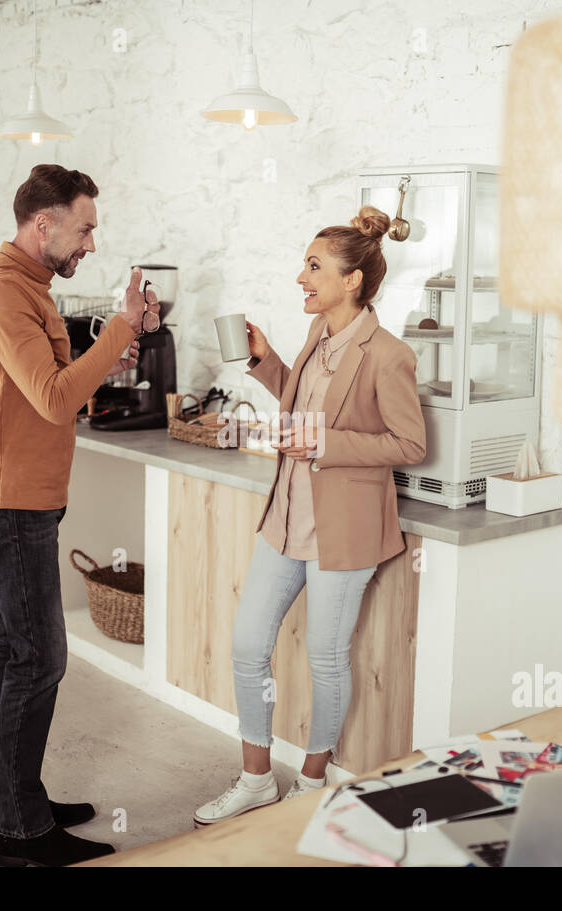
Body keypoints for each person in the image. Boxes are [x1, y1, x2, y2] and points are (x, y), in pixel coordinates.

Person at [193, 205, 426, 826]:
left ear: (352, 280)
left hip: (341, 533)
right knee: (248, 645)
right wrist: (267, 361)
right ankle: (254, 778)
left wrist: (324, 443)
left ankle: (313, 782)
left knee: (325, 657)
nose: (302, 276)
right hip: (286, 519)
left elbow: (409, 445)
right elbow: (306, 402)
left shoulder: (389, 355)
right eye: (305, 264)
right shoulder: (318, 337)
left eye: (314, 265)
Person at [0, 164, 158, 866]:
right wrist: (119, 331)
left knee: (14, 650)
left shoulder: (29, 287)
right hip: (13, 498)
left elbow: (54, 384)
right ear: (43, 224)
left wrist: (116, 343)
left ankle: (7, 800)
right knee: (41, 658)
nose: (90, 244)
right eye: (84, 228)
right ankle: (20, 833)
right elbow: (51, 397)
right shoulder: (4, 291)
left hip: (24, 493)